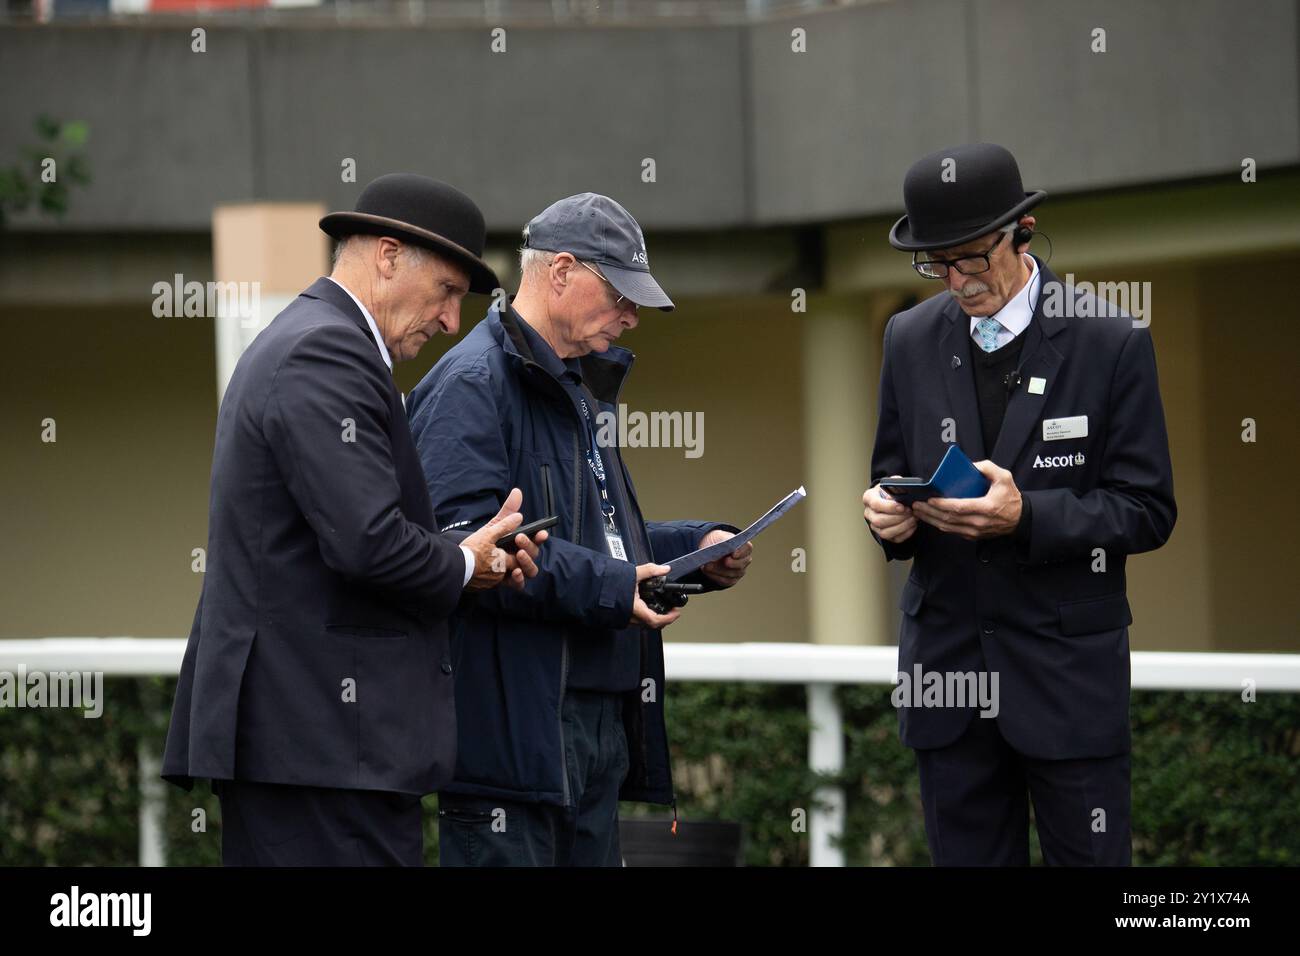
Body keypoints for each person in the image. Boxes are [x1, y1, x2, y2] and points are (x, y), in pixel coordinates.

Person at [162, 174, 546, 866]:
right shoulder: (327, 350)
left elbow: (351, 531)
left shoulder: (320, 341)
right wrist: (469, 562)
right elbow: (367, 543)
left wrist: (464, 547)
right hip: (322, 746)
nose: (453, 322)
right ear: (389, 255)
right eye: (449, 292)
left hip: (317, 746)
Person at [407, 192, 753, 866]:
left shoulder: (573, 385)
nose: (632, 316)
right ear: (560, 271)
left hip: (589, 724)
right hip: (515, 743)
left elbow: (603, 541)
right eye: (621, 293)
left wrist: (698, 548)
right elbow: (471, 551)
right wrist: (613, 583)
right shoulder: (472, 382)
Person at [862, 143, 1176, 865]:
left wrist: (1025, 516)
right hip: (947, 683)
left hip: (1067, 687)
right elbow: (891, 473)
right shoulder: (907, 337)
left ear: (1023, 231)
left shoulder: (1111, 340)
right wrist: (889, 520)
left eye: (972, 258)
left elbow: (1147, 509)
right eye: (936, 264)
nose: (957, 280)